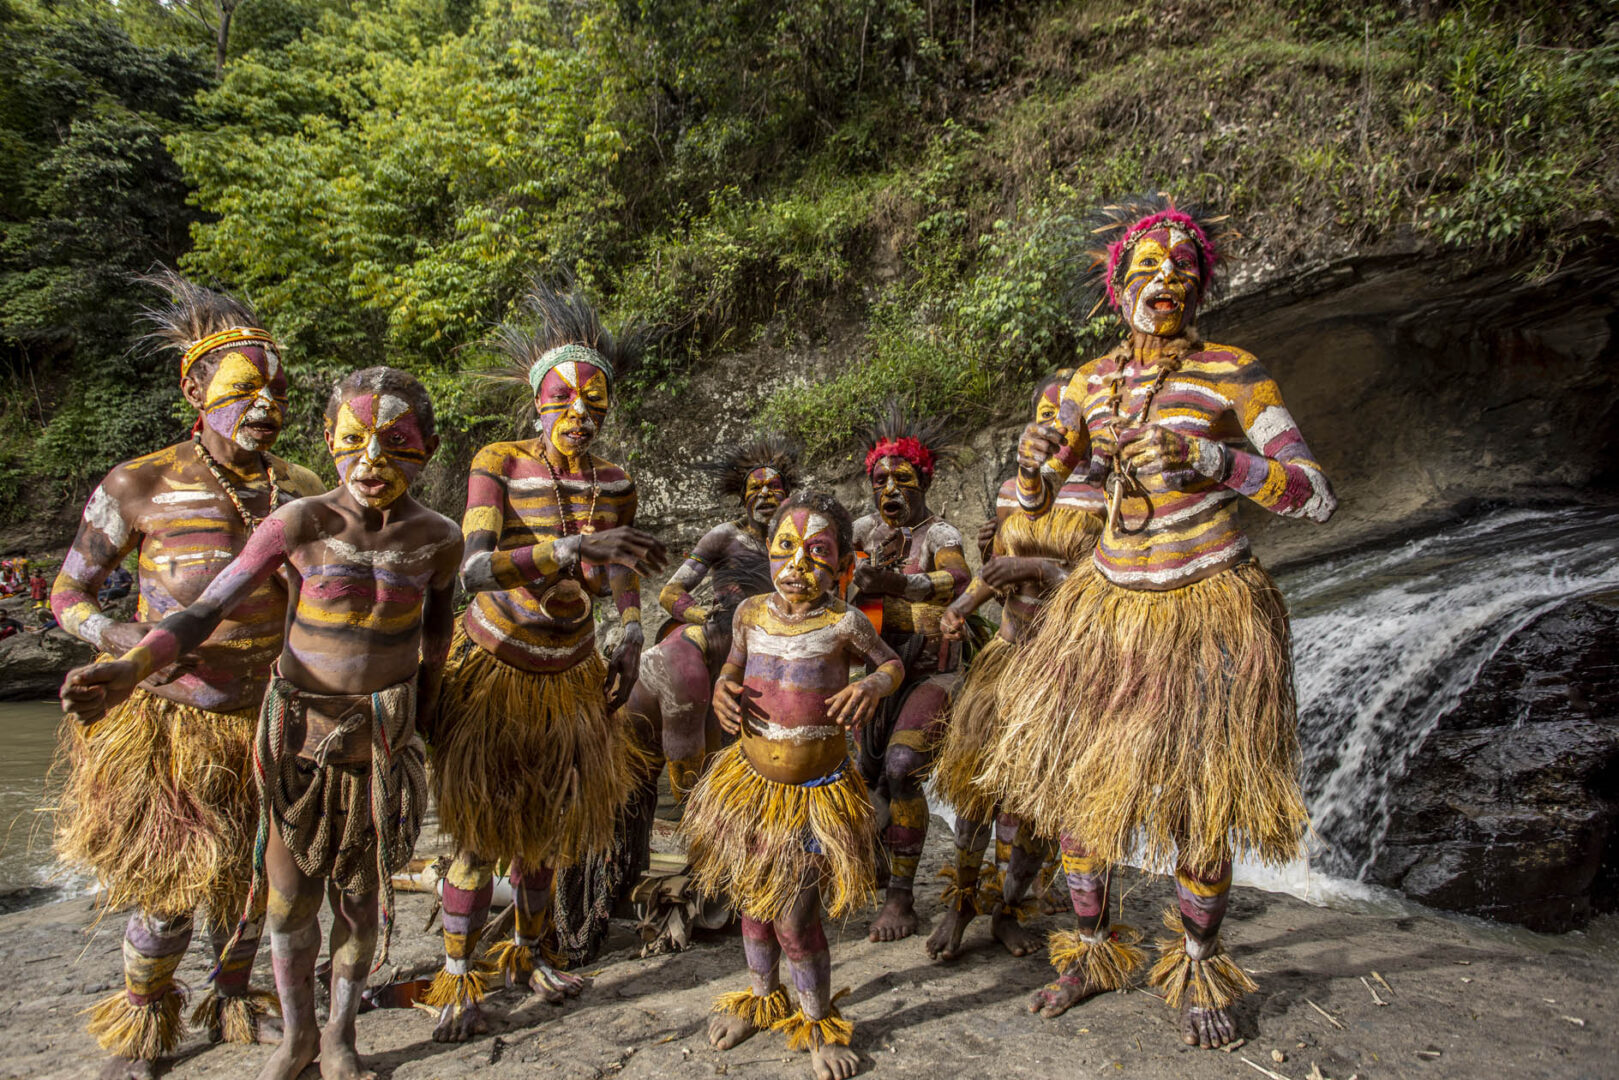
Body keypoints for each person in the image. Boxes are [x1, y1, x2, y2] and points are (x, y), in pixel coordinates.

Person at [980, 199, 1336, 1048]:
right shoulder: (1084, 383)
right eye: (1145, 265)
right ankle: (1090, 952)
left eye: (1181, 265)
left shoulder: (1235, 373)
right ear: (1116, 289)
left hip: (1207, 602)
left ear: (1200, 283)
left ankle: (1198, 965)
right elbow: (1039, 492)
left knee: (1199, 800)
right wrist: (1032, 471)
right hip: (1102, 610)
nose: (1164, 276)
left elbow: (1314, 494)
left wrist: (1208, 458)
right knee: (1078, 797)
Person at [61, 366, 460, 1080]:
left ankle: (339, 1038)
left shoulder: (437, 539)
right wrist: (127, 667)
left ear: (428, 447)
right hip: (295, 745)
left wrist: (425, 727)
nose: (372, 461)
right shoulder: (300, 522)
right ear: (330, 444)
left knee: (362, 903)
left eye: (396, 443)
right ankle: (295, 1036)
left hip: (376, 748)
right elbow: (206, 608)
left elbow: (435, 643)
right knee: (286, 899)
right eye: (352, 441)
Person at [48, 271, 324, 1079]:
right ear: (195, 390)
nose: (266, 405)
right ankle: (144, 1016)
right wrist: (121, 635)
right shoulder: (138, 484)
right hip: (175, 720)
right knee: (168, 892)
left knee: (258, 882)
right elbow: (67, 593)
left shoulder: (305, 489)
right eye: (245, 389)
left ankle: (233, 993)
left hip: (275, 720)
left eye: (278, 389)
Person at [424, 282, 667, 1042]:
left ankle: (530, 953)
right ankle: (459, 977)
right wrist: (566, 550)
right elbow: (471, 570)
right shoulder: (497, 462)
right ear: (539, 399)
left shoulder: (614, 482)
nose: (581, 415)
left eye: (595, 403)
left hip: (570, 675)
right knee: (477, 834)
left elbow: (623, 569)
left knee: (544, 832)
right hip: (496, 668)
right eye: (565, 399)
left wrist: (629, 631)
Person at [683, 490, 902, 1080]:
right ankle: (760, 998)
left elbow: (891, 664)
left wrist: (873, 688)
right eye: (786, 547)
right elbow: (733, 665)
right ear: (768, 553)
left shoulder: (843, 622)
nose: (798, 564)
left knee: (795, 920)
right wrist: (724, 688)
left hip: (814, 795)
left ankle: (818, 1024)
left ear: (841, 564)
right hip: (751, 789)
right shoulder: (750, 613)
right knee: (754, 906)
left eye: (818, 551)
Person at [926, 372, 1104, 962]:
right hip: (1005, 656)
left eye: (1065, 416)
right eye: (1044, 415)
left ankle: (1009, 908)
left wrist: (1046, 574)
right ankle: (961, 902)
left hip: (1065, 667)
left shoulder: (1109, 494)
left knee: (1037, 800)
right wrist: (960, 606)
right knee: (977, 788)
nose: (1052, 426)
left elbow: (1110, 587)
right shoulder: (1011, 491)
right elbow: (995, 567)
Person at [848, 405, 970, 942]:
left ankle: (901, 899)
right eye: (881, 479)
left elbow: (959, 581)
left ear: (923, 480)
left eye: (903, 478)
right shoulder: (859, 533)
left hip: (929, 673)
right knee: (862, 776)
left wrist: (903, 586)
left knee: (900, 769)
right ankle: (868, 868)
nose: (890, 488)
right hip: (874, 669)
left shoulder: (939, 532)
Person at [642, 436, 799, 799]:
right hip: (720, 652)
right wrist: (695, 613)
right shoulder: (725, 536)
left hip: (774, 662)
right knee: (716, 752)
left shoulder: (798, 541)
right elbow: (669, 592)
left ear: (787, 495)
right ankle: (696, 823)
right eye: (755, 488)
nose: (764, 495)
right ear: (743, 498)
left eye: (773, 487)